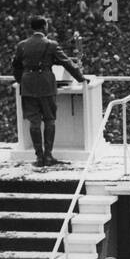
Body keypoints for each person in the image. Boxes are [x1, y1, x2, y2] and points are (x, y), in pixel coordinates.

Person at [11, 14, 85, 167]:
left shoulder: (22, 45)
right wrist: (81, 77)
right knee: (49, 119)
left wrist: (21, 81)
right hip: (46, 84)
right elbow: (67, 62)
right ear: (45, 27)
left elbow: (16, 65)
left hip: (28, 84)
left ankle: (39, 158)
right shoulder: (51, 44)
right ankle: (48, 156)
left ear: (32, 28)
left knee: (34, 121)